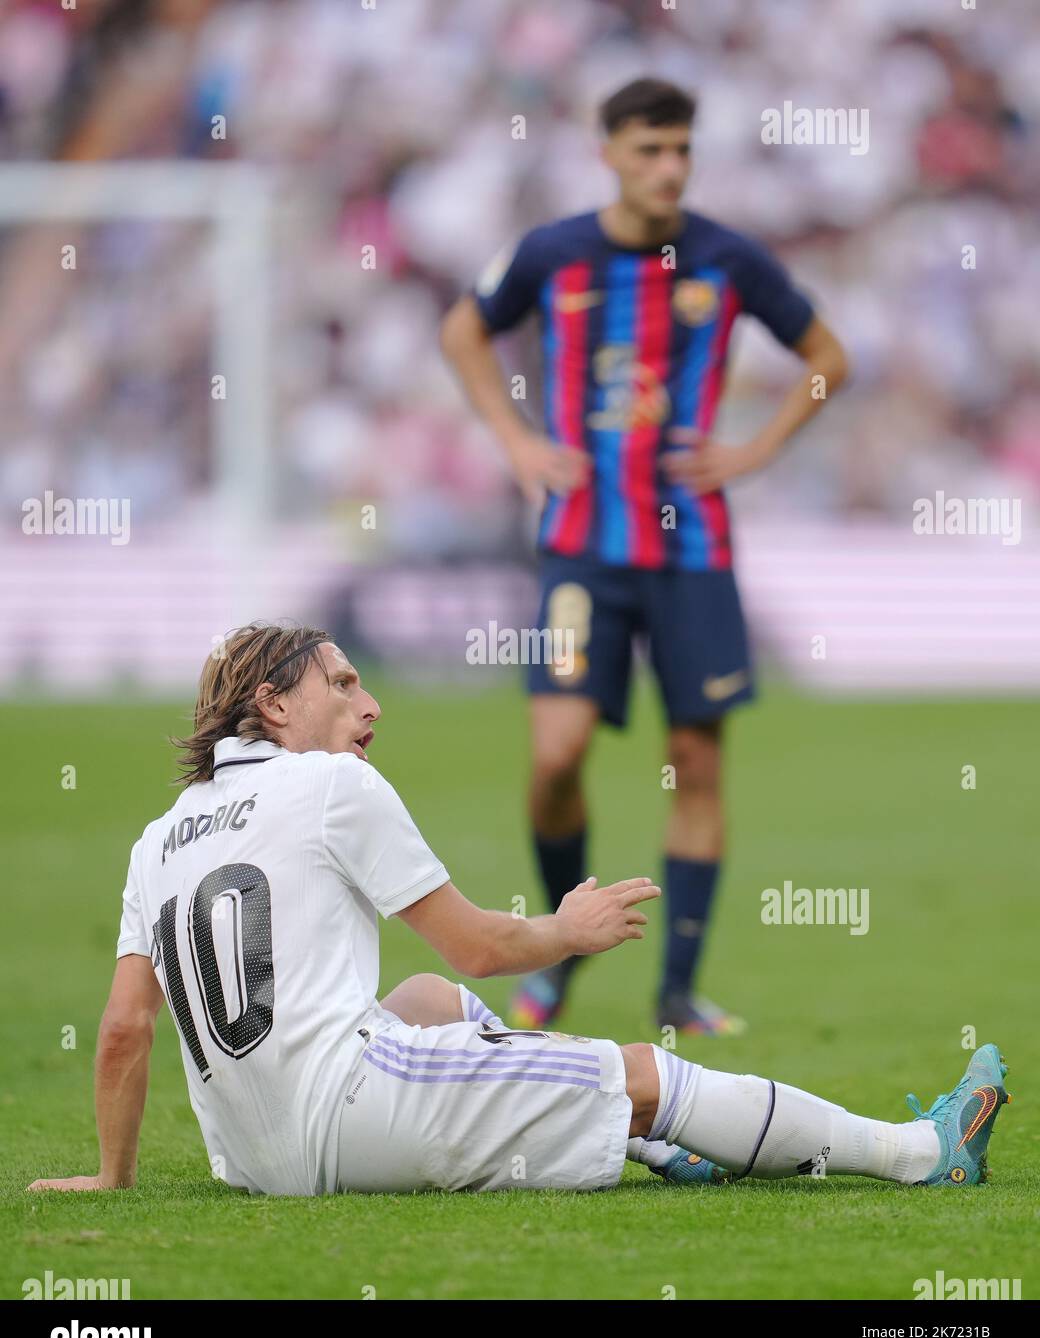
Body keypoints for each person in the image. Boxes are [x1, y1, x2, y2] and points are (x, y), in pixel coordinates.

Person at [29, 624, 1008, 1198]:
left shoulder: (160, 836)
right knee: (637, 1068)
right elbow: (482, 943)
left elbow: (123, 1030)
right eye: (342, 681)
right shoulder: (329, 784)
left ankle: (643, 1139)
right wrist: (565, 932)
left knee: (424, 998)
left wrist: (113, 1179)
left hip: (249, 1159)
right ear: (274, 708)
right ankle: (918, 1150)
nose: (370, 702)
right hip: (345, 1115)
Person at [440, 77, 849, 1035]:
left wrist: (752, 450)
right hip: (583, 546)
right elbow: (463, 330)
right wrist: (514, 440)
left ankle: (676, 992)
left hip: (694, 552)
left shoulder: (727, 257)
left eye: (681, 150)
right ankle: (558, 958)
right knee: (556, 754)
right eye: (649, 150)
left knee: (695, 764)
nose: (668, 167)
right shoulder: (553, 253)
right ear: (609, 153)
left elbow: (832, 355)